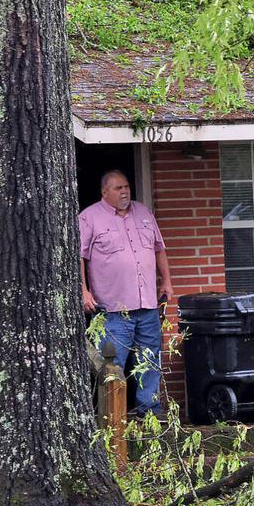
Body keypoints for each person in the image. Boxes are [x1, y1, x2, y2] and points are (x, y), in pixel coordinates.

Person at [79, 170, 173, 416]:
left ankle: (149, 411)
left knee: (149, 359)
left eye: (127, 186)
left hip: (147, 306)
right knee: (112, 365)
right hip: (112, 310)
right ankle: (111, 416)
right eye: (118, 188)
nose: (124, 191)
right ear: (104, 192)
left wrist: (167, 282)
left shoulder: (144, 213)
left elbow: (159, 249)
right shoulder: (89, 218)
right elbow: (79, 256)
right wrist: (84, 290)